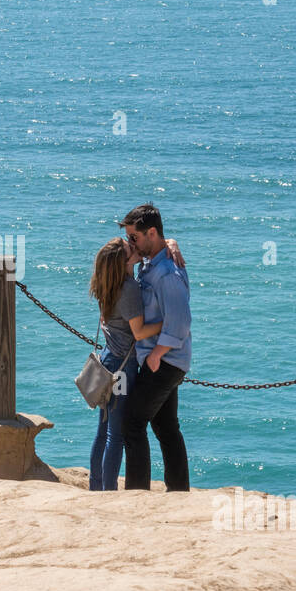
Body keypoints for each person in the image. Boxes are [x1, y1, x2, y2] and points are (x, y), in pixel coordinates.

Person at [120, 203, 192, 491]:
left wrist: (157, 355)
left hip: (165, 360)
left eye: (134, 238)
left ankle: (137, 491)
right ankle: (178, 490)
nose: (130, 243)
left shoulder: (166, 274)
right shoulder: (152, 263)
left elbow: (181, 320)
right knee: (166, 428)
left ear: (151, 233)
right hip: (164, 359)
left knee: (132, 424)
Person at [87, 238, 163, 491]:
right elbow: (139, 332)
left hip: (107, 361)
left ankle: (96, 488)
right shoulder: (127, 287)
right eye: (130, 248)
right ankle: (108, 492)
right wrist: (169, 325)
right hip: (122, 369)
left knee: (102, 430)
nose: (135, 247)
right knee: (115, 435)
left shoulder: (106, 284)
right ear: (123, 262)